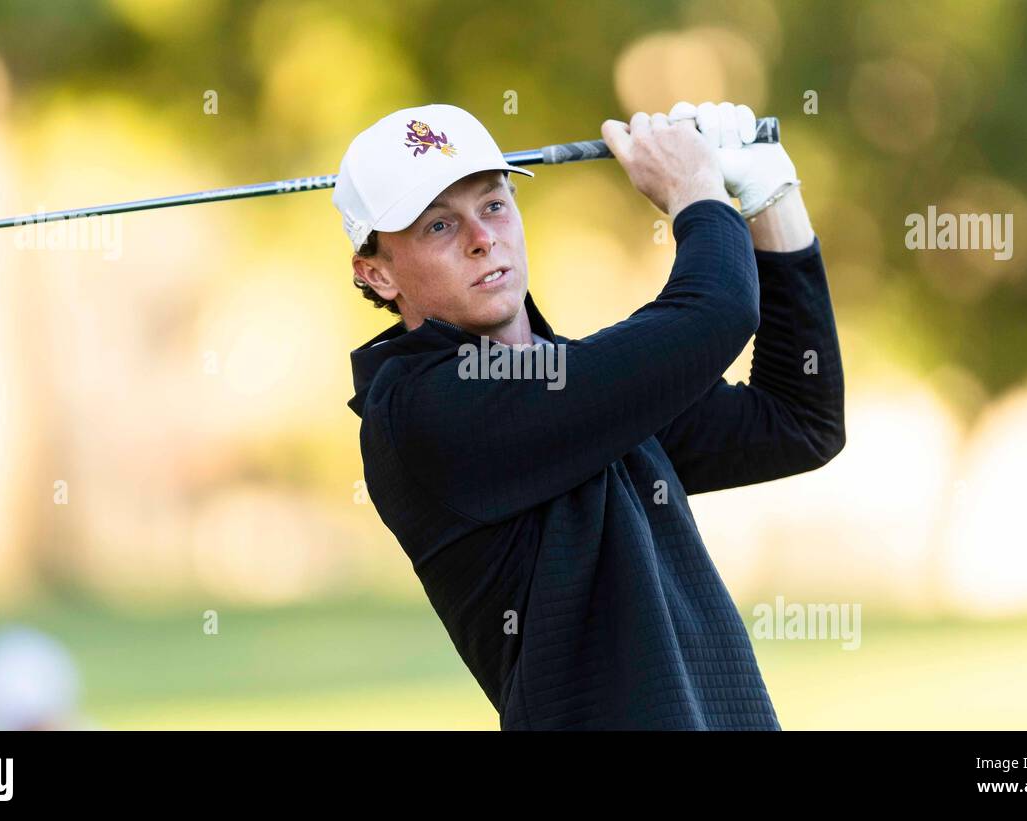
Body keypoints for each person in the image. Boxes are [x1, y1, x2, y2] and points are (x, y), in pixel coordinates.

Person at [334, 101, 844, 729]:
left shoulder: (578, 393)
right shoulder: (425, 412)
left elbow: (796, 421)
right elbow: (715, 313)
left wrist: (769, 192)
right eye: (438, 226)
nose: (481, 238)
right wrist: (696, 190)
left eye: (494, 204)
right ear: (377, 273)